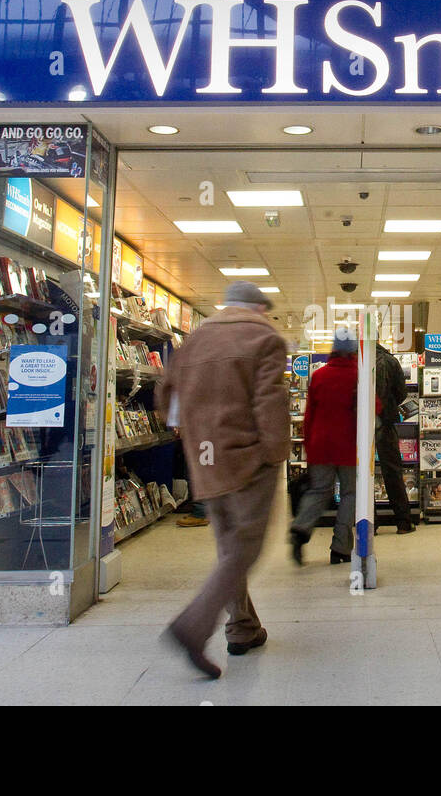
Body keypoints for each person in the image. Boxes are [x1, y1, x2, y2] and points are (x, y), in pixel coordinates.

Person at [155, 281, 289, 679]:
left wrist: (195, 434)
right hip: (247, 459)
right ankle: (193, 626)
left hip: (204, 457)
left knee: (228, 547)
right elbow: (269, 402)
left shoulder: (194, 339)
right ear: (258, 308)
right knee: (244, 549)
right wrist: (275, 452)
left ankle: (242, 626)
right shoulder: (265, 339)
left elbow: (165, 395)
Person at [289, 330, 358, 565]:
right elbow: (374, 407)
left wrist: (309, 446)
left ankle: (300, 529)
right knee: (350, 494)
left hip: (320, 444)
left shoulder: (318, 376)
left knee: (319, 490)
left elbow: (309, 417)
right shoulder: (358, 376)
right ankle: (340, 548)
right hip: (349, 445)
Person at [374, 342, 415, 534]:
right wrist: (387, 405)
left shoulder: (356, 361)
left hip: (361, 424)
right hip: (386, 422)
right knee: (392, 471)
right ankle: (403, 522)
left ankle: (369, 522)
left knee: (362, 473)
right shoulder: (391, 361)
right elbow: (402, 393)